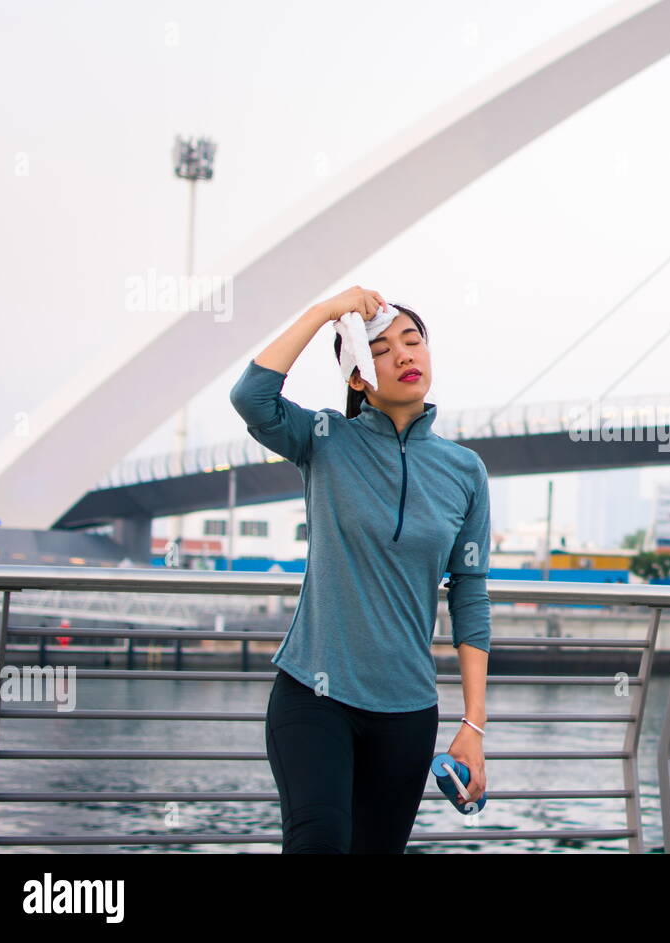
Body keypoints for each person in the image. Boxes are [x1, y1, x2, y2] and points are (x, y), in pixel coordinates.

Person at [228, 285, 491, 853]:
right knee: (318, 840)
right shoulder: (324, 440)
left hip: (408, 712)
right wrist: (326, 310)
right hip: (314, 695)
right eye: (379, 349)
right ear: (356, 377)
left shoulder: (464, 470)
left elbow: (469, 595)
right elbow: (251, 396)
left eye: (412, 341)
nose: (403, 356)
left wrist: (473, 725)